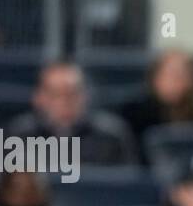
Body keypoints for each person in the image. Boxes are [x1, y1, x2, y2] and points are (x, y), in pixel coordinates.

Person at [8, 62, 139, 165]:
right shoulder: (19, 135)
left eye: (72, 93)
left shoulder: (112, 136)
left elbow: (126, 191)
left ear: (85, 96)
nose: (64, 101)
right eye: (55, 94)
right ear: (38, 98)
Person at [121, 50, 193, 138]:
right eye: (169, 73)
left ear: (191, 81)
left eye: (181, 75)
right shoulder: (134, 113)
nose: (175, 81)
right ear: (155, 77)